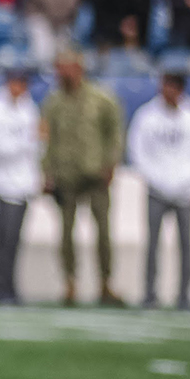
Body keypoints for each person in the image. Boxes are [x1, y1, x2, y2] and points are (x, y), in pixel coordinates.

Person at [41, 49, 124, 307]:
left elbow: (115, 131)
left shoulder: (101, 98)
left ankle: (105, 283)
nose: (60, 73)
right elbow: (46, 139)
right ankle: (70, 284)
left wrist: (111, 163)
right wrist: (46, 171)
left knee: (103, 232)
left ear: (78, 68)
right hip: (66, 176)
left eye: (64, 67)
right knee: (66, 233)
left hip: (95, 173)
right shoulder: (53, 102)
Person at [127, 72, 190, 310]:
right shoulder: (146, 116)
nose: (166, 92)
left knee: (186, 245)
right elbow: (137, 151)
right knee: (152, 244)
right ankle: (149, 293)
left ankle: (184, 295)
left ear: (180, 89)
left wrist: (186, 181)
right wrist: (155, 179)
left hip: (185, 192)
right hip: (156, 190)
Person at [0, 67, 42, 305]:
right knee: (3, 240)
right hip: (2, 184)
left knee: (14, 241)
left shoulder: (29, 109)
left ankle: (9, 285)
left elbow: (36, 150)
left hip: (21, 185)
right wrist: (28, 141)